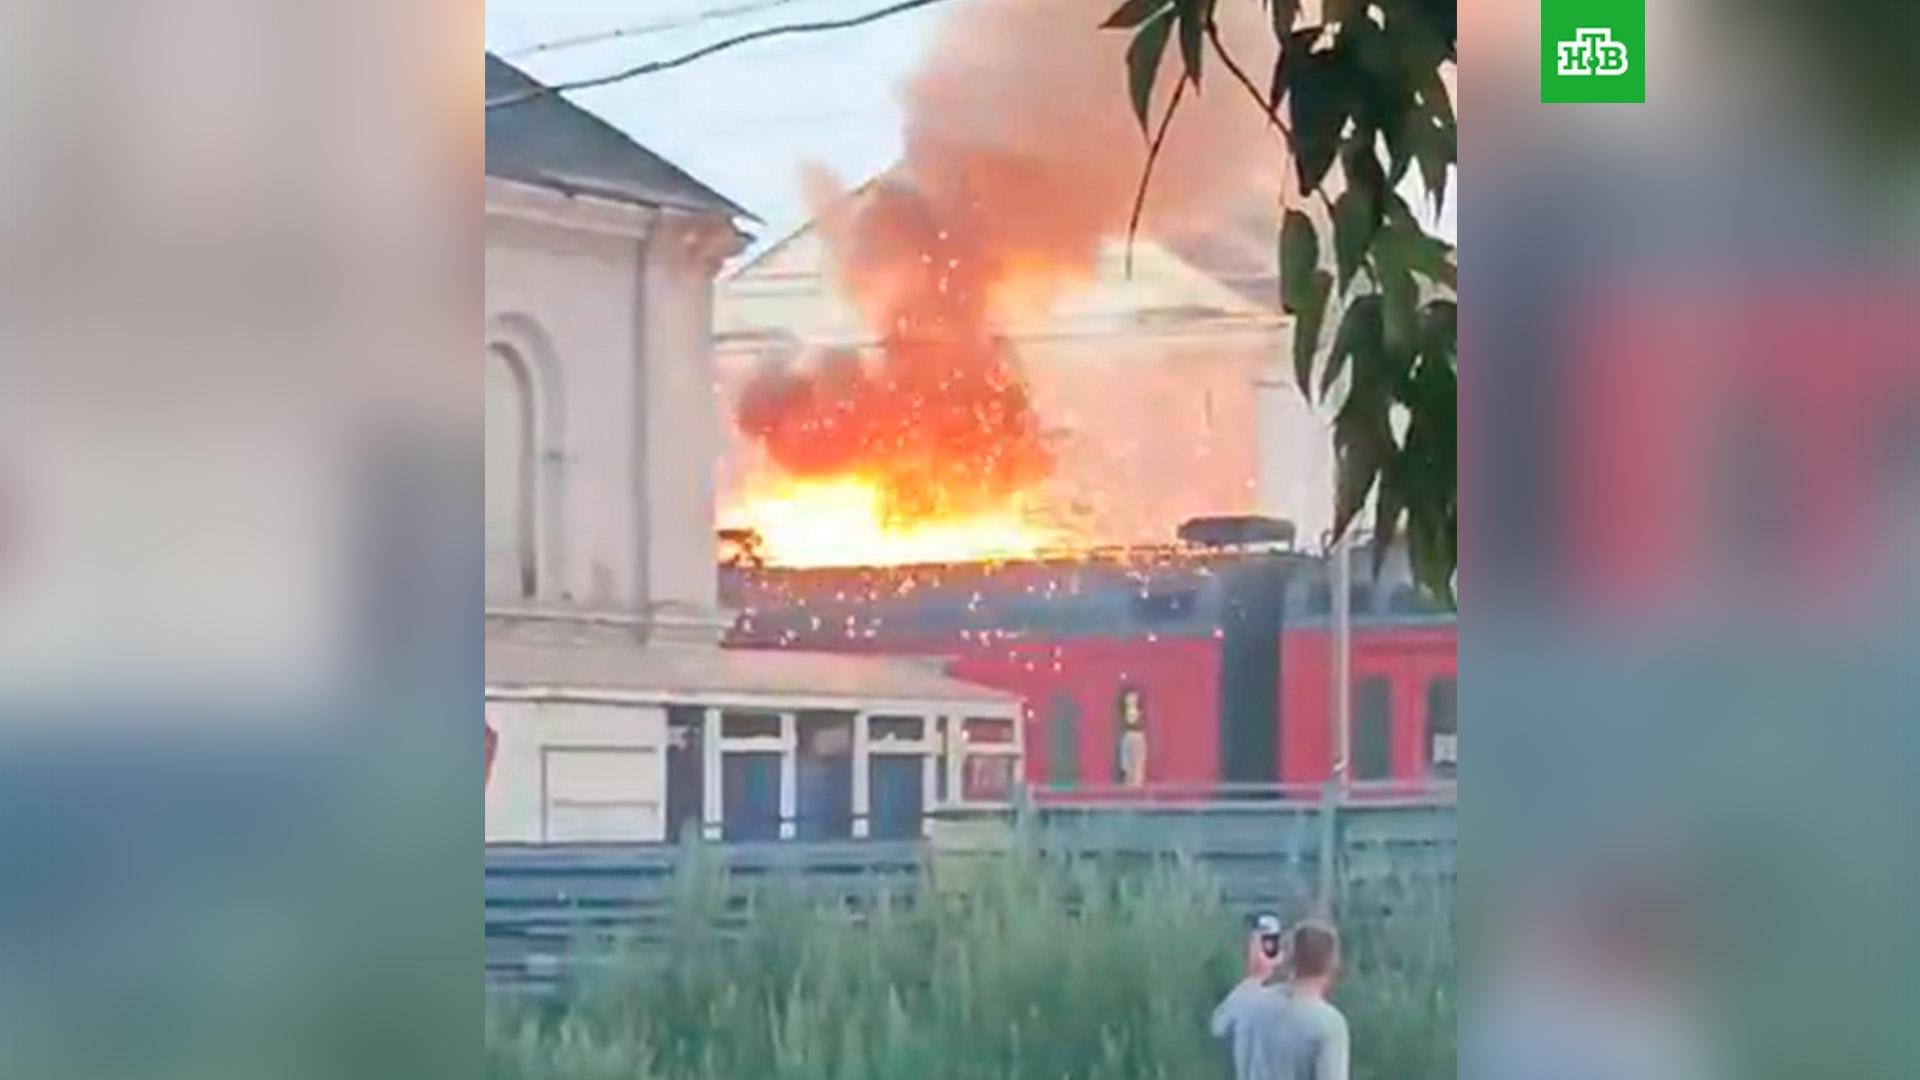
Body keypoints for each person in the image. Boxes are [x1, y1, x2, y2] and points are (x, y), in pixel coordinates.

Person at [1211, 919, 1350, 1080]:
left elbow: (1218, 1025)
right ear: (1332, 965)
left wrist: (1256, 976)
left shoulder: (1252, 1004)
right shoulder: (1329, 1024)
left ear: (1290, 959)